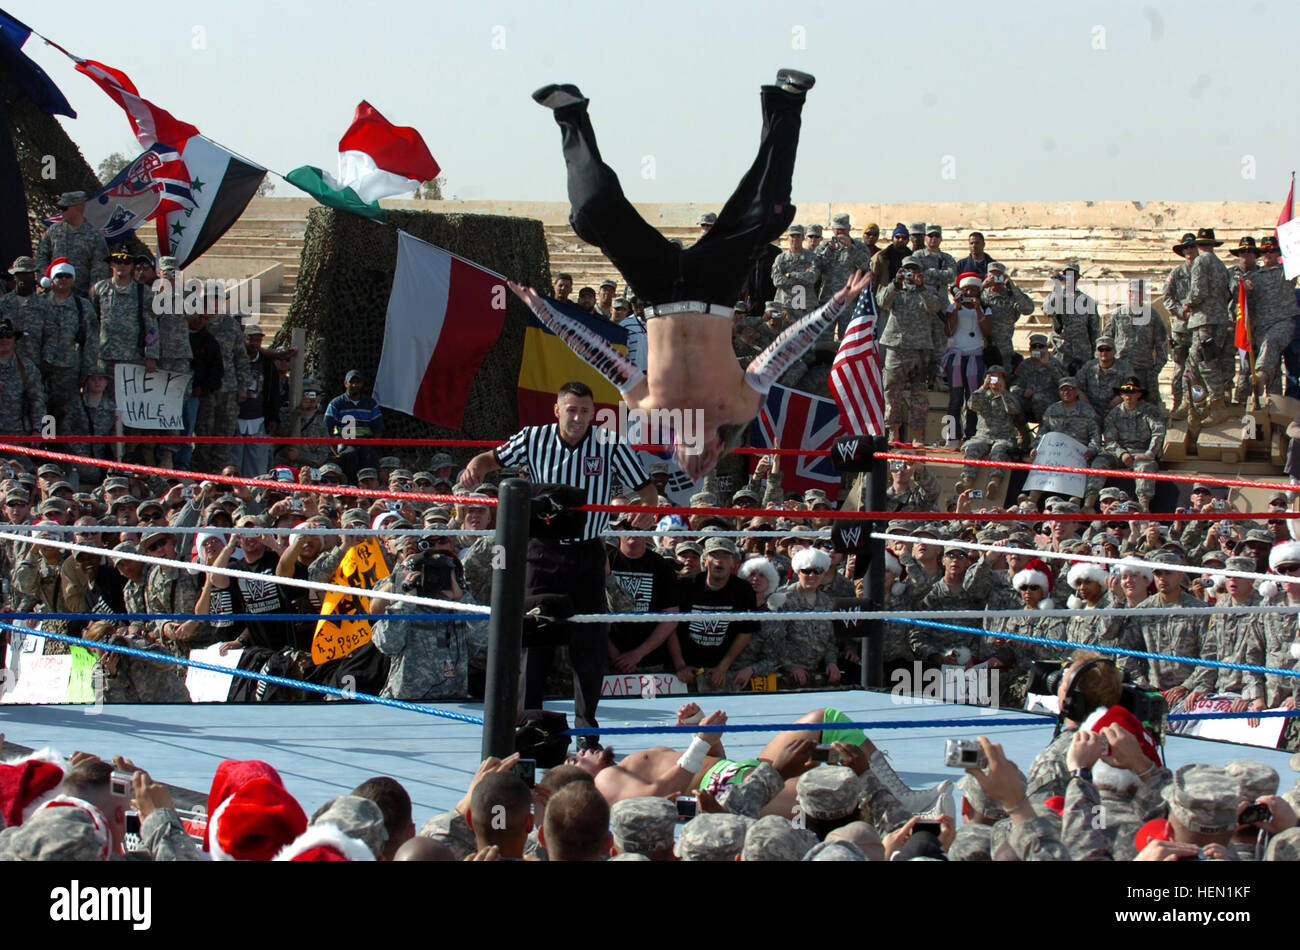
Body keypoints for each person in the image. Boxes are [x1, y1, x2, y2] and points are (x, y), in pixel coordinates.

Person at [525, 72, 882, 482]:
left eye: (685, 458)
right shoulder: (739, 406)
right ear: (717, 446)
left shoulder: (650, 409)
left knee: (591, 213)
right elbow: (785, 349)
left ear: (673, 445)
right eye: (706, 460)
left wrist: (545, 311)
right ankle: (787, 102)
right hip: (716, 288)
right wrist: (835, 304)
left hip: (657, 292)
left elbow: (598, 356)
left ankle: (570, 112)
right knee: (768, 213)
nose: (695, 457)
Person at [460, 381, 655, 737]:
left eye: (584, 411)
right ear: (557, 409)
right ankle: (528, 726)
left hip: (587, 551)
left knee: (590, 641)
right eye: (571, 410)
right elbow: (492, 458)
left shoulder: (610, 444)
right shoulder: (534, 438)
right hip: (541, 551)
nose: (578, 418)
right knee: (534, 638)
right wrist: (476, 466)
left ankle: (586, 729)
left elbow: (646, 488)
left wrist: (648, 509)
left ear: (593, 413)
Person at [667, 536, 759, 691]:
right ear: (705, 560)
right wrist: (680, 665)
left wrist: (723, 668)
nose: (719, 560)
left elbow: (746, 631)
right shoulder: (685, 585)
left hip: (722, 669)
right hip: (683, 668)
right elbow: (669, 626)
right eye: (715, 555)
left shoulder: (743, 590)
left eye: (725, 556)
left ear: (733, 563)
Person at [35, 191, 110, 298]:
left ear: (78, 208)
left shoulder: (94, 235)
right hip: (54, 294)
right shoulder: (54, 231)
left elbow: (100, 266)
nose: (61, 211)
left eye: (64, 208)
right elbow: (41, 256)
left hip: (81, 296)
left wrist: (94, 289)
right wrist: (45, 278)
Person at [233, 321, 281, 477]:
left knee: (257, 465)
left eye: (258, 340)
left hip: (259, 419)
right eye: (251, 339)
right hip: (236, 418)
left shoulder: (267, 364)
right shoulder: (234, 360)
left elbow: (273, 392)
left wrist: (273, 417)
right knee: (234, 463)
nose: (254, 343)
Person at [326, 369, 385, 482]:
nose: (354, 385)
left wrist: (373, 445)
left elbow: (378, 429)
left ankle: (369, 487)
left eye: (358, 382)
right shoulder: (336, 404)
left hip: (365, 443)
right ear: (345, 383)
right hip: (345, 443)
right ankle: (350, 486)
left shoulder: (370, 404)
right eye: (351, 382)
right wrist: (335, 450)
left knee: (368, 455)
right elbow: (328, 428)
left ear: (362, 384)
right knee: (350, 455)